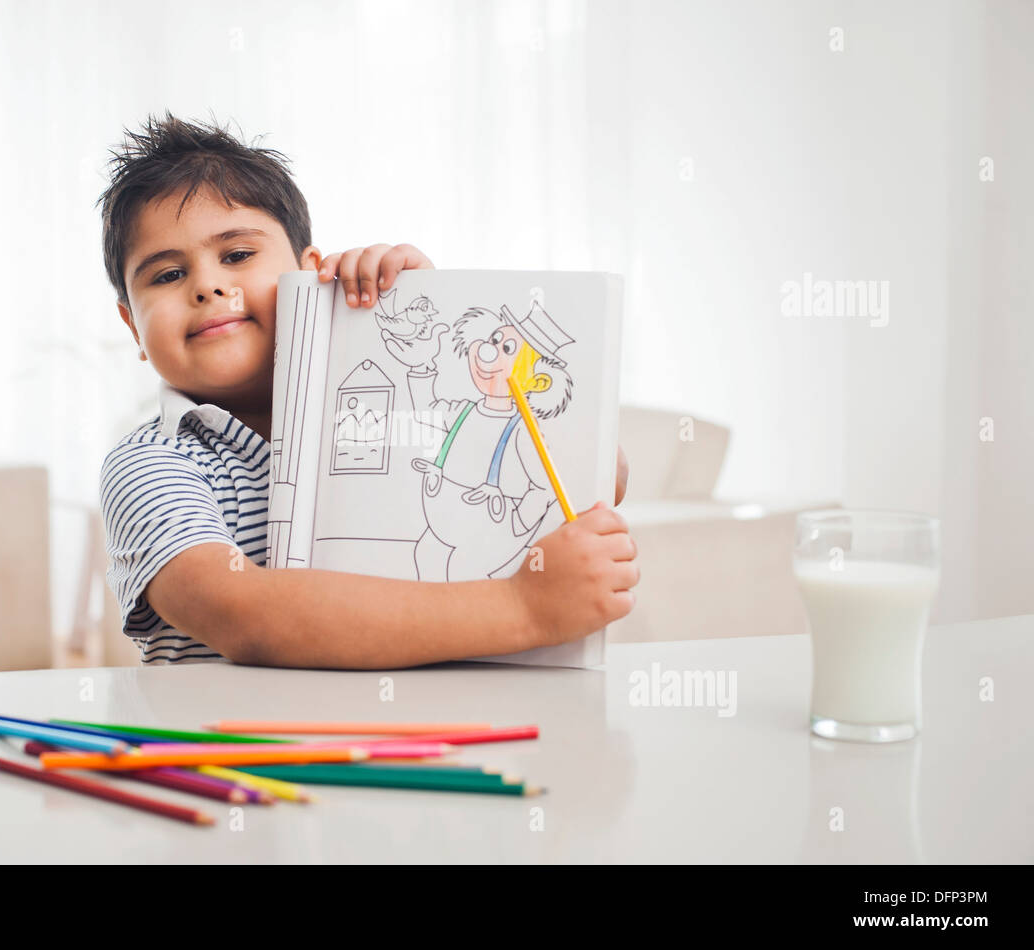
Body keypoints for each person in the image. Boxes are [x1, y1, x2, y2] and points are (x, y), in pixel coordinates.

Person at [98, 112, 637, 667]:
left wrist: (438, 305)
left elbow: (602, 478)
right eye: (167, 275)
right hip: (248, 747)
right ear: (133, 326)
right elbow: (243, 615)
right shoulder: (150, 464)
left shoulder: (387, 408)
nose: (209, 287)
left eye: (236, 255)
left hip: (427, 733)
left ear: (307, 274)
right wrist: (523, 609)